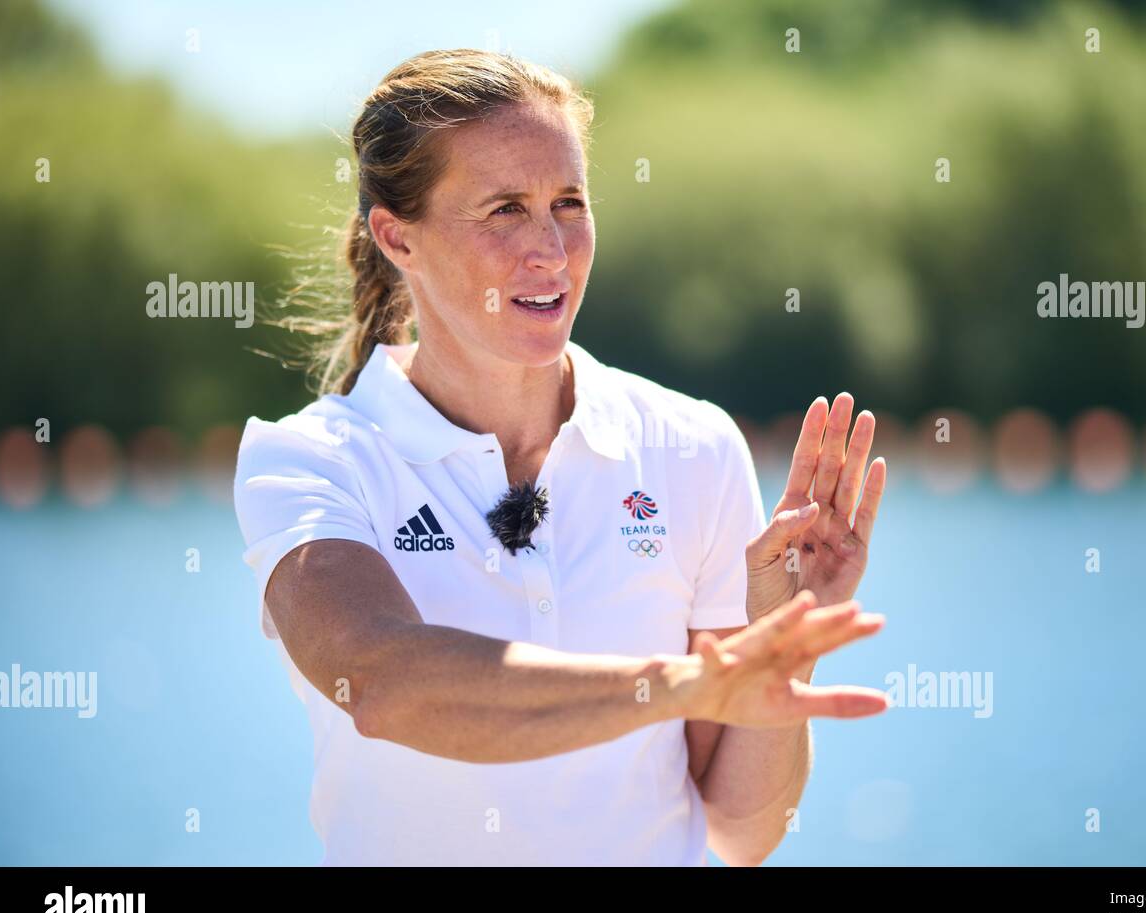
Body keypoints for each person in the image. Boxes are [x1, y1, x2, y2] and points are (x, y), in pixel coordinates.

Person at [233, 49, 889, 866]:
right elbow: (377, 680)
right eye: (504, 209)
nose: (550, 248)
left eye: (568, 203)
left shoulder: (692, 446)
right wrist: (678, 685)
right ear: (398, 236)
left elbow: (742, 833)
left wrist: (782, 637)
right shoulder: (308, 460)